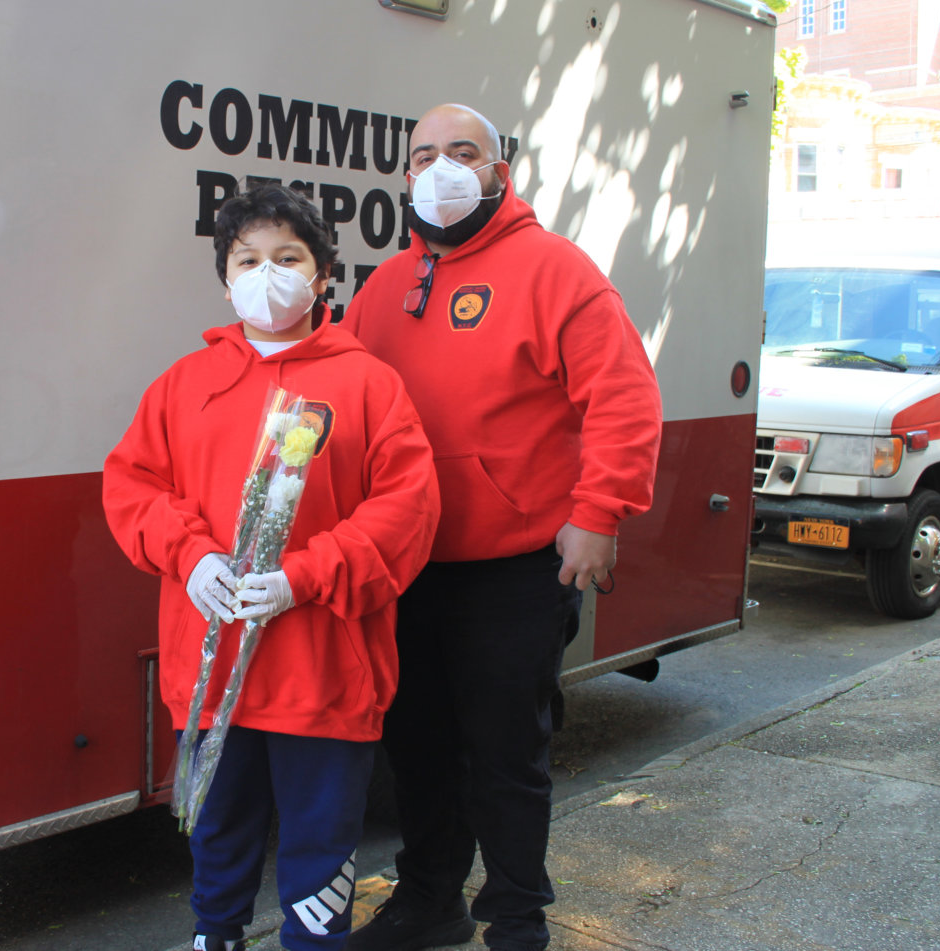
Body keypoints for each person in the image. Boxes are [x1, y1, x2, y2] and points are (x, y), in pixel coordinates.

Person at [343, 104, 663, 951]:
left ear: (499, 169)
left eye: (462, 151)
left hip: (518, 566)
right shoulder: (384, 285)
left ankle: (516, 917)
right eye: (423, 155)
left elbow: (624, 397)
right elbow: (339, 397)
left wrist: (598, 516)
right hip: (408, 565)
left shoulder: (555, 270)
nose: (441, 168)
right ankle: (429, 901)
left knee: (505, 752)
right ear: (404, 177)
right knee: (416, 746)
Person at [102, 183, 439, 951]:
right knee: (216, 838)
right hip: (214, 675)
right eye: (248, 259)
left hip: (324, 673)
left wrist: (305, 576)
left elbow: (406, 508)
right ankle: (213, 937)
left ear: (322, 276)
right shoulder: (184, 385)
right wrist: (188, 557)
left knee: (321, 852)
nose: (267, 273)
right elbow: (131, 486)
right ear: (225, 277)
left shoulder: (368, 386)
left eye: (288, 257)